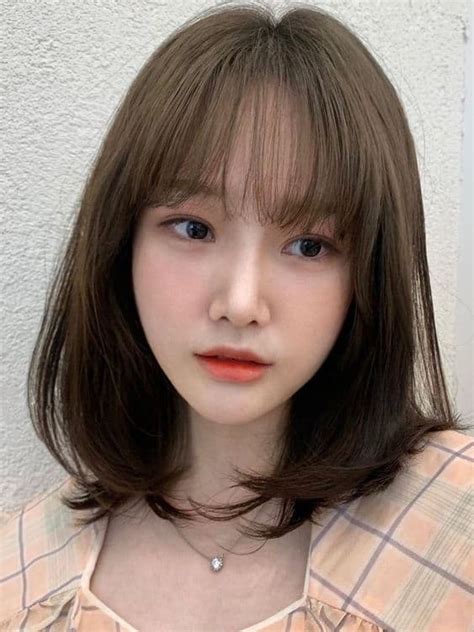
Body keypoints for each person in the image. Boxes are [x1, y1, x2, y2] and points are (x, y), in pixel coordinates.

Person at [1, 2, 472, 630]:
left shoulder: (458, 524)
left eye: (309, 245)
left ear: (370, 275)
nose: (242, 304)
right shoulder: (21, 577)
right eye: (193, 228)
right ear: (121, 245)